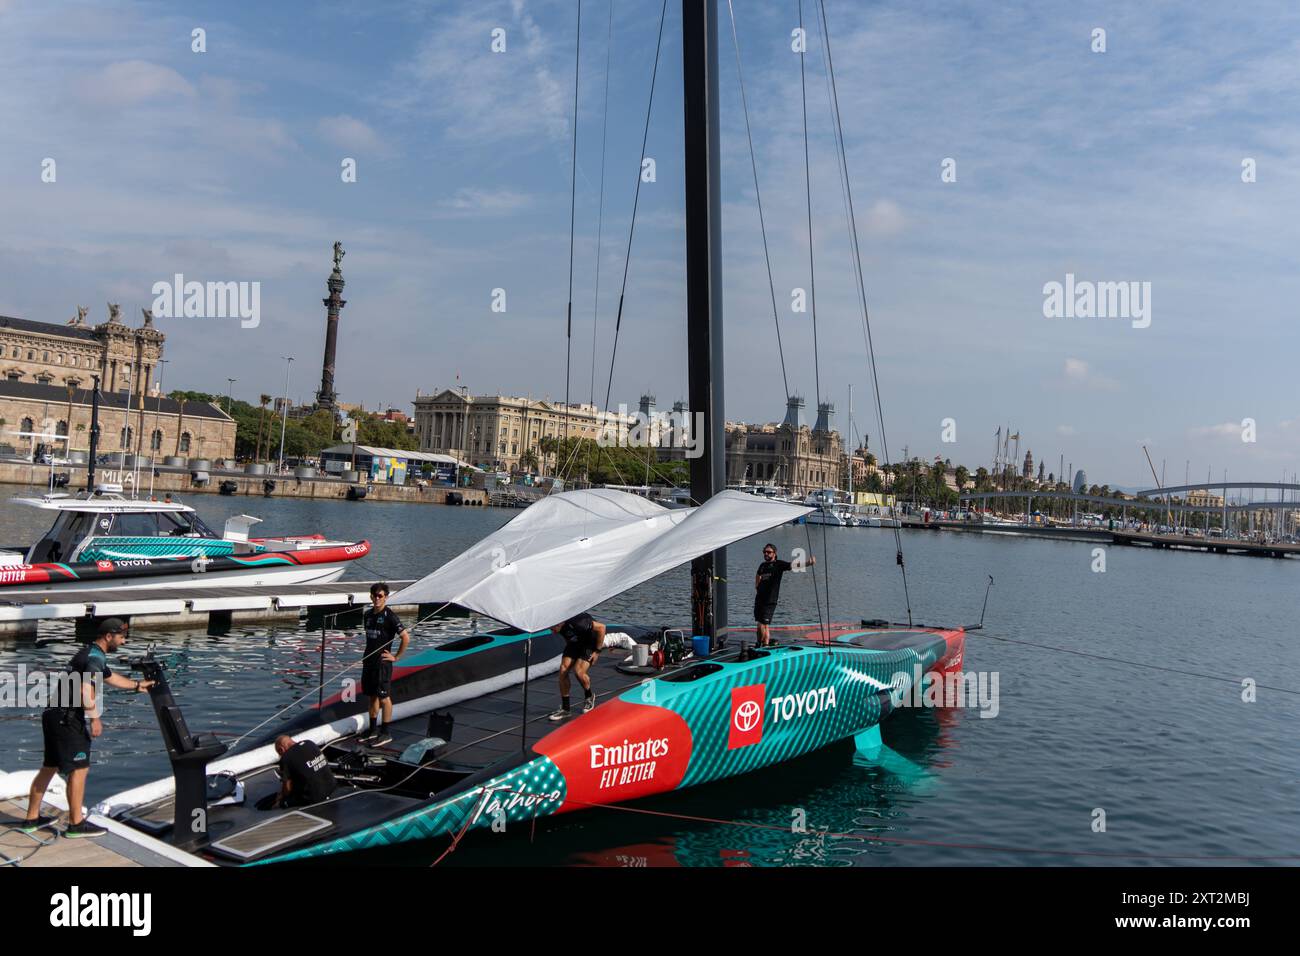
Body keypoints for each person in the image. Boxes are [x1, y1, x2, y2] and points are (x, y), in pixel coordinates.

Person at [23, 618, 154, 837]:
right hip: (67, 719)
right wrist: (95, 718)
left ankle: (31, 819)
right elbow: (86, 690)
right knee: (79, 768)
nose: (123, 642)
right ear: (108, 636)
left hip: (54, 715)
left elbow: (110, 677)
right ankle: (76, 824)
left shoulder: (91, 653)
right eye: (121, 637)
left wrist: (137, 686)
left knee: (50, 767)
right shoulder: (95, 657)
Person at [359, 582, 410, 745]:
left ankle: (386, 732)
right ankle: (373, 729)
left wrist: (396, 656)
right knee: (371, 696)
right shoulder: (367, 615)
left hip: (383, 664)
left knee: (384, 698)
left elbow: (405, 637)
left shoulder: (390, 617)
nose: (376, 599)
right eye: (374, 595)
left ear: (386, 597)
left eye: (380, 596)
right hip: (369, 661)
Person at [548, 612, 606, 720]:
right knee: (563, 669)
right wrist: (572, 655)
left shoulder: (579, 623)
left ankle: (589, 697)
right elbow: (567, 637)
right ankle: (566, 709)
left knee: (578, 671)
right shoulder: (558, 626)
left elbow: (602, 628)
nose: (551, 631)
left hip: (589, 643)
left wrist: (597, 652)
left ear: (560, 623)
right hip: (575, 643)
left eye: (552, 628)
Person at [754, 543, 813, 647]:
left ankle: (760, 645)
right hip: (759, 598)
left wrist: (808, 563)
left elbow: (793, 565)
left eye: (769, 552)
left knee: (762, 624)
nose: (766, 554)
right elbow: (758, 574)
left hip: (770, 600)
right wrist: (757, 586)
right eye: (764, 552)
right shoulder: (762, 565)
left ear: (774, 553)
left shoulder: (779, 565)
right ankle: (765, 645)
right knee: (764, 625)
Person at [273, 735, 337, 808]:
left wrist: (282, 796)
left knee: (279, 804)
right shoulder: (309, 743)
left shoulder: (286, 758)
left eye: (279, 754)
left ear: (281, 749)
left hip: (314, 797)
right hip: (332, 786)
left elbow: (287, 788)